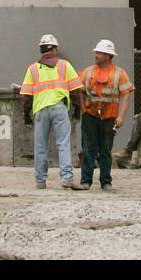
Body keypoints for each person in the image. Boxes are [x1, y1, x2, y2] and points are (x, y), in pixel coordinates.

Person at [19, 34, 83, 190]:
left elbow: (27, 96)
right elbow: (75, 91)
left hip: (40, 110)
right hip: (59, 108)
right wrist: (77, 110)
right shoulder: (64, 66)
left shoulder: (32, 69)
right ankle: (66, 178)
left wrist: (25, 115)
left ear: (41, 50)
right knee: (63, 144)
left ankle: (40, 181)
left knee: (40, 146)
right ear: (54, 49)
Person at [76, 40, 134, 192]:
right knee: (89, 148)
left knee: (105, 150)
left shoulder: (119, 74)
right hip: (90, 115)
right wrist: (83, 109)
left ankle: (106, 181)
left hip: (109, 117)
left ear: (108, 55)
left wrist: (121, 116)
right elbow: (80, 91)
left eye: (99, 53)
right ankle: (85, 181)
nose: (96, 55)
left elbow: (126, 94)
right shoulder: (88, 72)